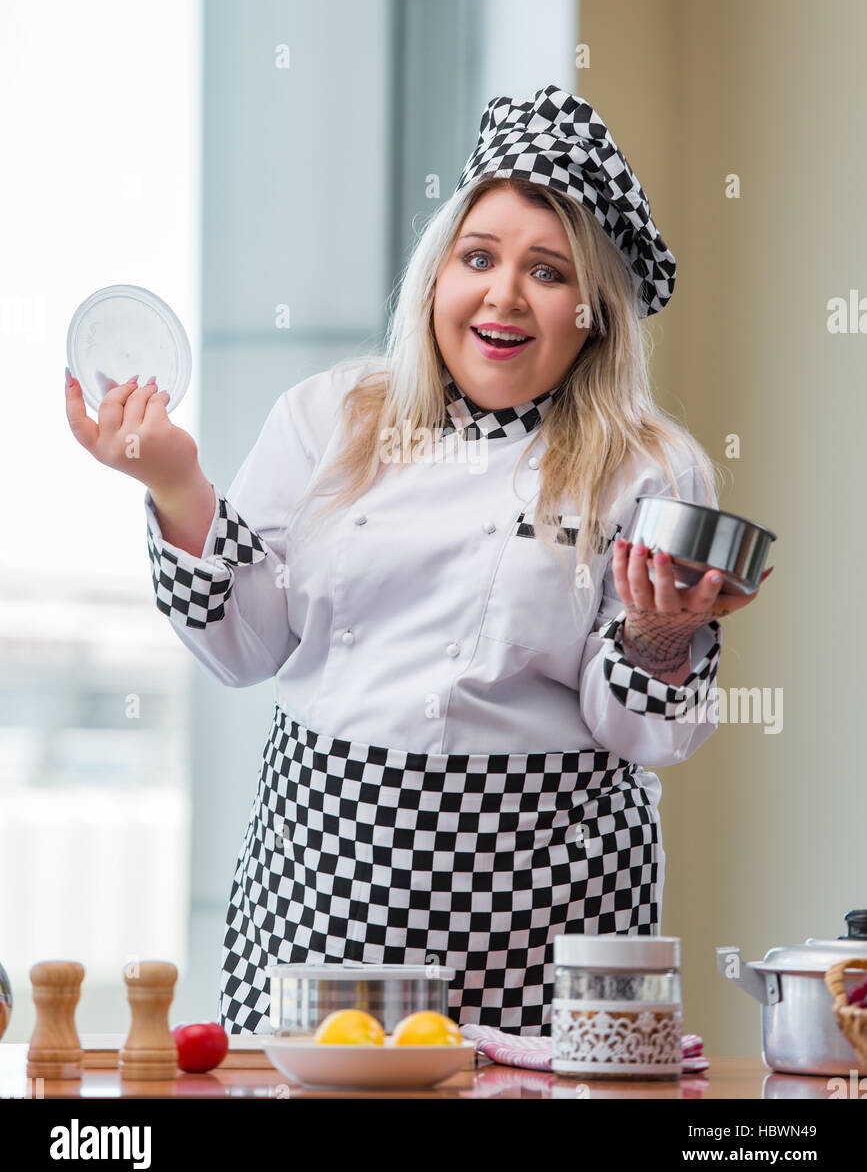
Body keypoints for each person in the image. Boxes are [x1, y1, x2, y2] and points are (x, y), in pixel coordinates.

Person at [64, 85, 771, 1037]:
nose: (502, 295)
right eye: (476, 258)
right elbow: (246, 649)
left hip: (545, 914)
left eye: (547, 272)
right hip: (322, 892)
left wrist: (656, 634)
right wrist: (177, 482)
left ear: (593, 314)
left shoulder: (651, 465)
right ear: (436, 277)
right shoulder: (329, 414)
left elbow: (642, 735)